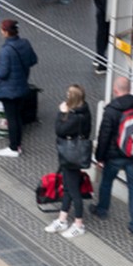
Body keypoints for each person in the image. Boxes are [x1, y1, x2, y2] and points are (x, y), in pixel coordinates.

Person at [92, 76, 133, 237]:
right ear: (129, 89)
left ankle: (102, 209)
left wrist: (99, 157)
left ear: (116, 90)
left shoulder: (111, 110)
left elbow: (104, 136)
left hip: (114, 156)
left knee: (106, 182)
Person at [45, 84, 93, 238]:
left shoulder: (75, 117)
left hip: (71, 156)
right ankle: (62, 218)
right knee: (67, 187)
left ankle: (79, 224)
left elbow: (59, 130)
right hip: (73, 155)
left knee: (73, 191)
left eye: (68, 94)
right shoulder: (84, 111)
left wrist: (61, 113)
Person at [0, 19, 38, 157]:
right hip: (22, 86)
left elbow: (3, 73)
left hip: (9, 90)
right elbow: (33, 60)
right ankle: (17, 144)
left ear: (6, 32)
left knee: (12, 118)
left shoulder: (6, 51)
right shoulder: (25, 43)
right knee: (17, 116)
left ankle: (13, 147)